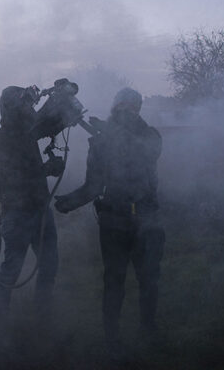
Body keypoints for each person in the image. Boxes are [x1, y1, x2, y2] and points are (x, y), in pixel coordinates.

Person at [54, 88, 164, 353]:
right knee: (114, 281)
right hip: (115, 221)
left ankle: (148, 333)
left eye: (132, 105)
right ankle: (112, 339)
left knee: (149, 279)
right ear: (116, 107)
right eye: (123, 104)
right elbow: (93, 186)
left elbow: (144, 153)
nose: (127, 109)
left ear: (138, 109)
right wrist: (68, 201)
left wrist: (112, 133)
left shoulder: (150, 136)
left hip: (147, 220)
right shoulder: (101, 141)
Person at [0, 86, 65, 328]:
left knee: (48, 264)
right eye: (24, 106)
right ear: (12, 109)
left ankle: (41, 317)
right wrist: (47, 169)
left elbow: (47, 124)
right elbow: (12, 181)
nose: (28, 110)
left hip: (39, 208)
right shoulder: (1, 141)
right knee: (12, 269)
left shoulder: (25, 133)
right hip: (18, 212)